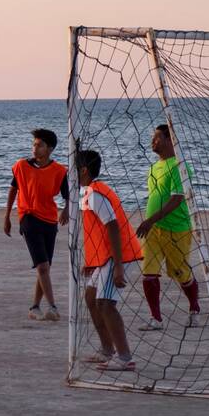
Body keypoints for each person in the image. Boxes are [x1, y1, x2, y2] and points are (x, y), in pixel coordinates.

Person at [76, 149, 141, 372]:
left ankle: (125, 358)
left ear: (83, 170)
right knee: (91, 295)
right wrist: (93, 260)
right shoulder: (88, 193)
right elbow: (97, 231)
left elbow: (112, 226)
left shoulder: (96, 194)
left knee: (106, 304)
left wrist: (119, 267)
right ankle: (107, 350)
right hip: (105, 257)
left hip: (119, 255)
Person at [135, 124, 201, 330]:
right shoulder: (154, 167)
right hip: (153, 230)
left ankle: (194, 308)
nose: (152, 141)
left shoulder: (180, 166)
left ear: (169, 140)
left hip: (177, 229)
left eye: (156, 138)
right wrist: (151, 222)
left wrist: (150, 220)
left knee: (180, 273)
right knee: (148, 273)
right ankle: (156, 319)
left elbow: (176, 200)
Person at [3, 128, 69, 321]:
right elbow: (13, 190)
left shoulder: (59, 171)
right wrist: (7, 216)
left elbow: (68, 195)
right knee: (42, 267)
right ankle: (53, 307)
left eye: (39, 145)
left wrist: (66, 210)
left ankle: (34, 307)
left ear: (50, 149)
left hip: (49, 220)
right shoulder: (21, 166)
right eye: (34, 144)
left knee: (45, 266)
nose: (35, 148)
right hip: (28, 218)